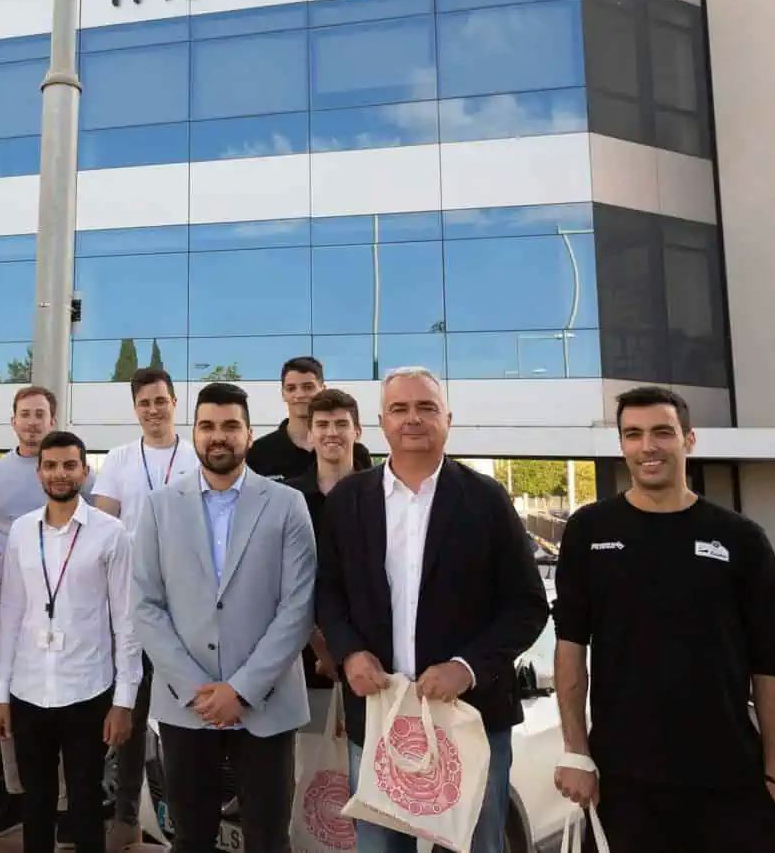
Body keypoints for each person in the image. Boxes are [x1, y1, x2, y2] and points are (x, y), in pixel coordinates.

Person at [316, 366, 547, 853]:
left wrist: (467, 667)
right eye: (399, 409)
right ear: (381, 422)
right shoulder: (348, 501)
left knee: (480, 846)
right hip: (381, 719)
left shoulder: (487, 499)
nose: (413, 419)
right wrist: (350, 653)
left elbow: (528, 605)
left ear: (448, 419)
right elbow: (327, 593)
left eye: (426, 407)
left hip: (471, 718)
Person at [553, 386, 775, 852]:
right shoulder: (589, 531)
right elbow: (570, 649)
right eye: (633, 434)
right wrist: (576, 752)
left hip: (727, 778)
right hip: (622, 782)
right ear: (621, 444)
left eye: (663, 432)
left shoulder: (741, 539)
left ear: (689, 439)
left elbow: (769, 668)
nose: (648, 447)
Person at [132, 382, 316, 853]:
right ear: (193, 433)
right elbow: (146, 607)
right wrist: (198, 689)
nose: (219, 436)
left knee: (268, 839)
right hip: (185, 706)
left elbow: (298, 607)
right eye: (208, 426)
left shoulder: (287, 505)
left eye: (231, 426)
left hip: (267, 705)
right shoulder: (158, 507)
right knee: (190, 839)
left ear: (249, 435)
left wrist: (242, 690)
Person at [0, 431, 141, 853]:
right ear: (39, 472)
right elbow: (11, 616)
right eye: (51, 465)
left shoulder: (111, 534)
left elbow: (126, 622)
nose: (60, 474)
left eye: (69, 465)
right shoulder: (21, 531)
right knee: (35, 804)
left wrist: (124, 700)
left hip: (88, 690)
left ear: (84, 470)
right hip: (28, 689)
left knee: (85, 804)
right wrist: (1, 695)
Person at [0, 385, 97, 837]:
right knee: (8, 700)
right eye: (24, 414)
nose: (31, 422)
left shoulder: (73, 471)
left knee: (68, 706)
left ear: (54, 418)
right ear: (13, 422)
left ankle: (64, 805)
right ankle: (16, 794)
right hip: (5, 603)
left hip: (69, 608)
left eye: (40, 414)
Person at [90, 366, 200, 852]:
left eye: (161, 400)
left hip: (190, 610)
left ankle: (188, 824)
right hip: (132, 609)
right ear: (135, 409)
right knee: (128, 714)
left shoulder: (199, 454)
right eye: (144, 403)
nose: (153, 410)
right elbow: (102, 528)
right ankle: (125, 818)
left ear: (175, 402)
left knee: (185, 718)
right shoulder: (117, 460)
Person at [284, 387, 362, 722]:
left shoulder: (378, 496)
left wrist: (346, 648)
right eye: (323, 424)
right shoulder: (286, 499)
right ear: (310, 433)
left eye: (341, 424)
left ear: (356, 432)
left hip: (367, 656)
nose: (332, 433)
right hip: (302, 659)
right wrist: (321, 645)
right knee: (310, 770)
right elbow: (280, 580)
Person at [246, 356, 372, 483]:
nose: (300, 395)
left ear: (323, 389)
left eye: (308, 387)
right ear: (283, 393)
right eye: (291, 388)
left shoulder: (356, 452)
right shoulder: (259, 451)